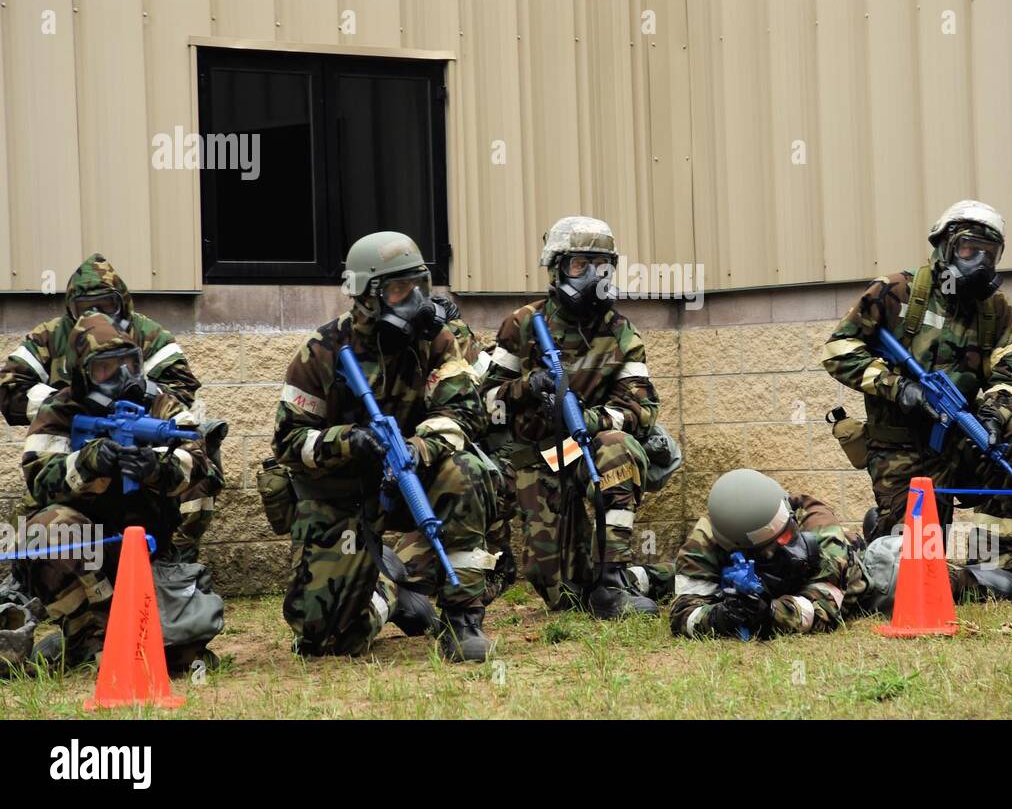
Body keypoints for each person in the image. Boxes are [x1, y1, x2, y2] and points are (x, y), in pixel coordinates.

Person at [272, 232, 498, 661]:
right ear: (368, 296)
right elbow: (288, 441)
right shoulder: (321, 351)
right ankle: (389, 595)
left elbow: (463, 413)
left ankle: (462, 619)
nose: (414, 300)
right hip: (345, 495)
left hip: (414, 479)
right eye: (399, 289)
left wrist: (418, 448)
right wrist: (348, 441)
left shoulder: (438, 341)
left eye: (419, 286)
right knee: (325, 640)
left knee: (466, 469)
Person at [822, 200, 1012, 579]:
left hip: (963, 437)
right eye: (970, 249)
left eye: (990, 254)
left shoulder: (994, 309)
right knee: (917, 568)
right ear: (945, 246)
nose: (980, 262)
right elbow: (838, 350)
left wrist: (991, 416)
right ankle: (881, 529)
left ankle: (994, 564)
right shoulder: (896, 292)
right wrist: (901, 388)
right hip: (901, 447)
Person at [13, 313, 218, 669]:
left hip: (149, 548)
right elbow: (39, 478)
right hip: (88, 552)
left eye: (130, 364)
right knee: (44, 529)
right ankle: (89, 637)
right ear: (82, 374)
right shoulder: (60, 410)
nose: (123, 376)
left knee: (181, 655)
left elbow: (197, 458)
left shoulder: (162, 404)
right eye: (107, 369)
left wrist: (157, 468)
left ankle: (139, 627)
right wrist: (87, 463)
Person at [480, 216, 660, 618]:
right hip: (538, 457)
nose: (592, 276)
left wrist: (591, 420)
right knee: (562, 592)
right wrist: (529, 387)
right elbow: (485, 399)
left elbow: (642, 410)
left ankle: (615, 581)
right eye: (580, 264)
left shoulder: (620, 331)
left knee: (617, 449)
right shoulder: (524, 323)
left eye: (602, 266)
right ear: (557, 267)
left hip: (590, 451)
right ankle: (641, 578)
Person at [0, 254, 218, 561]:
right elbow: (10, 388)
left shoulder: (147, 334)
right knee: (39, 527)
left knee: (201, 479)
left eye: (105, 306)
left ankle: (173, 564)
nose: (96, 314)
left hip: (145, 451)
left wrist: (145, 406)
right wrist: (73, 407)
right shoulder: (52, 337)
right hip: (74, 458)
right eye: (85, 308)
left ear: (123, 305)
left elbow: (182, 391)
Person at [669, 469, 1012, 638]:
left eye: (788, 532)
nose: (787, 544)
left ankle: (973, 577)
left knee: (908, 569)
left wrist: (769, 612)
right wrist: (721, 618)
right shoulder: (704, 542)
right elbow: (683, 613)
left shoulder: (818, 526)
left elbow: (822, 609)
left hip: (857, 584)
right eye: (770, 544)